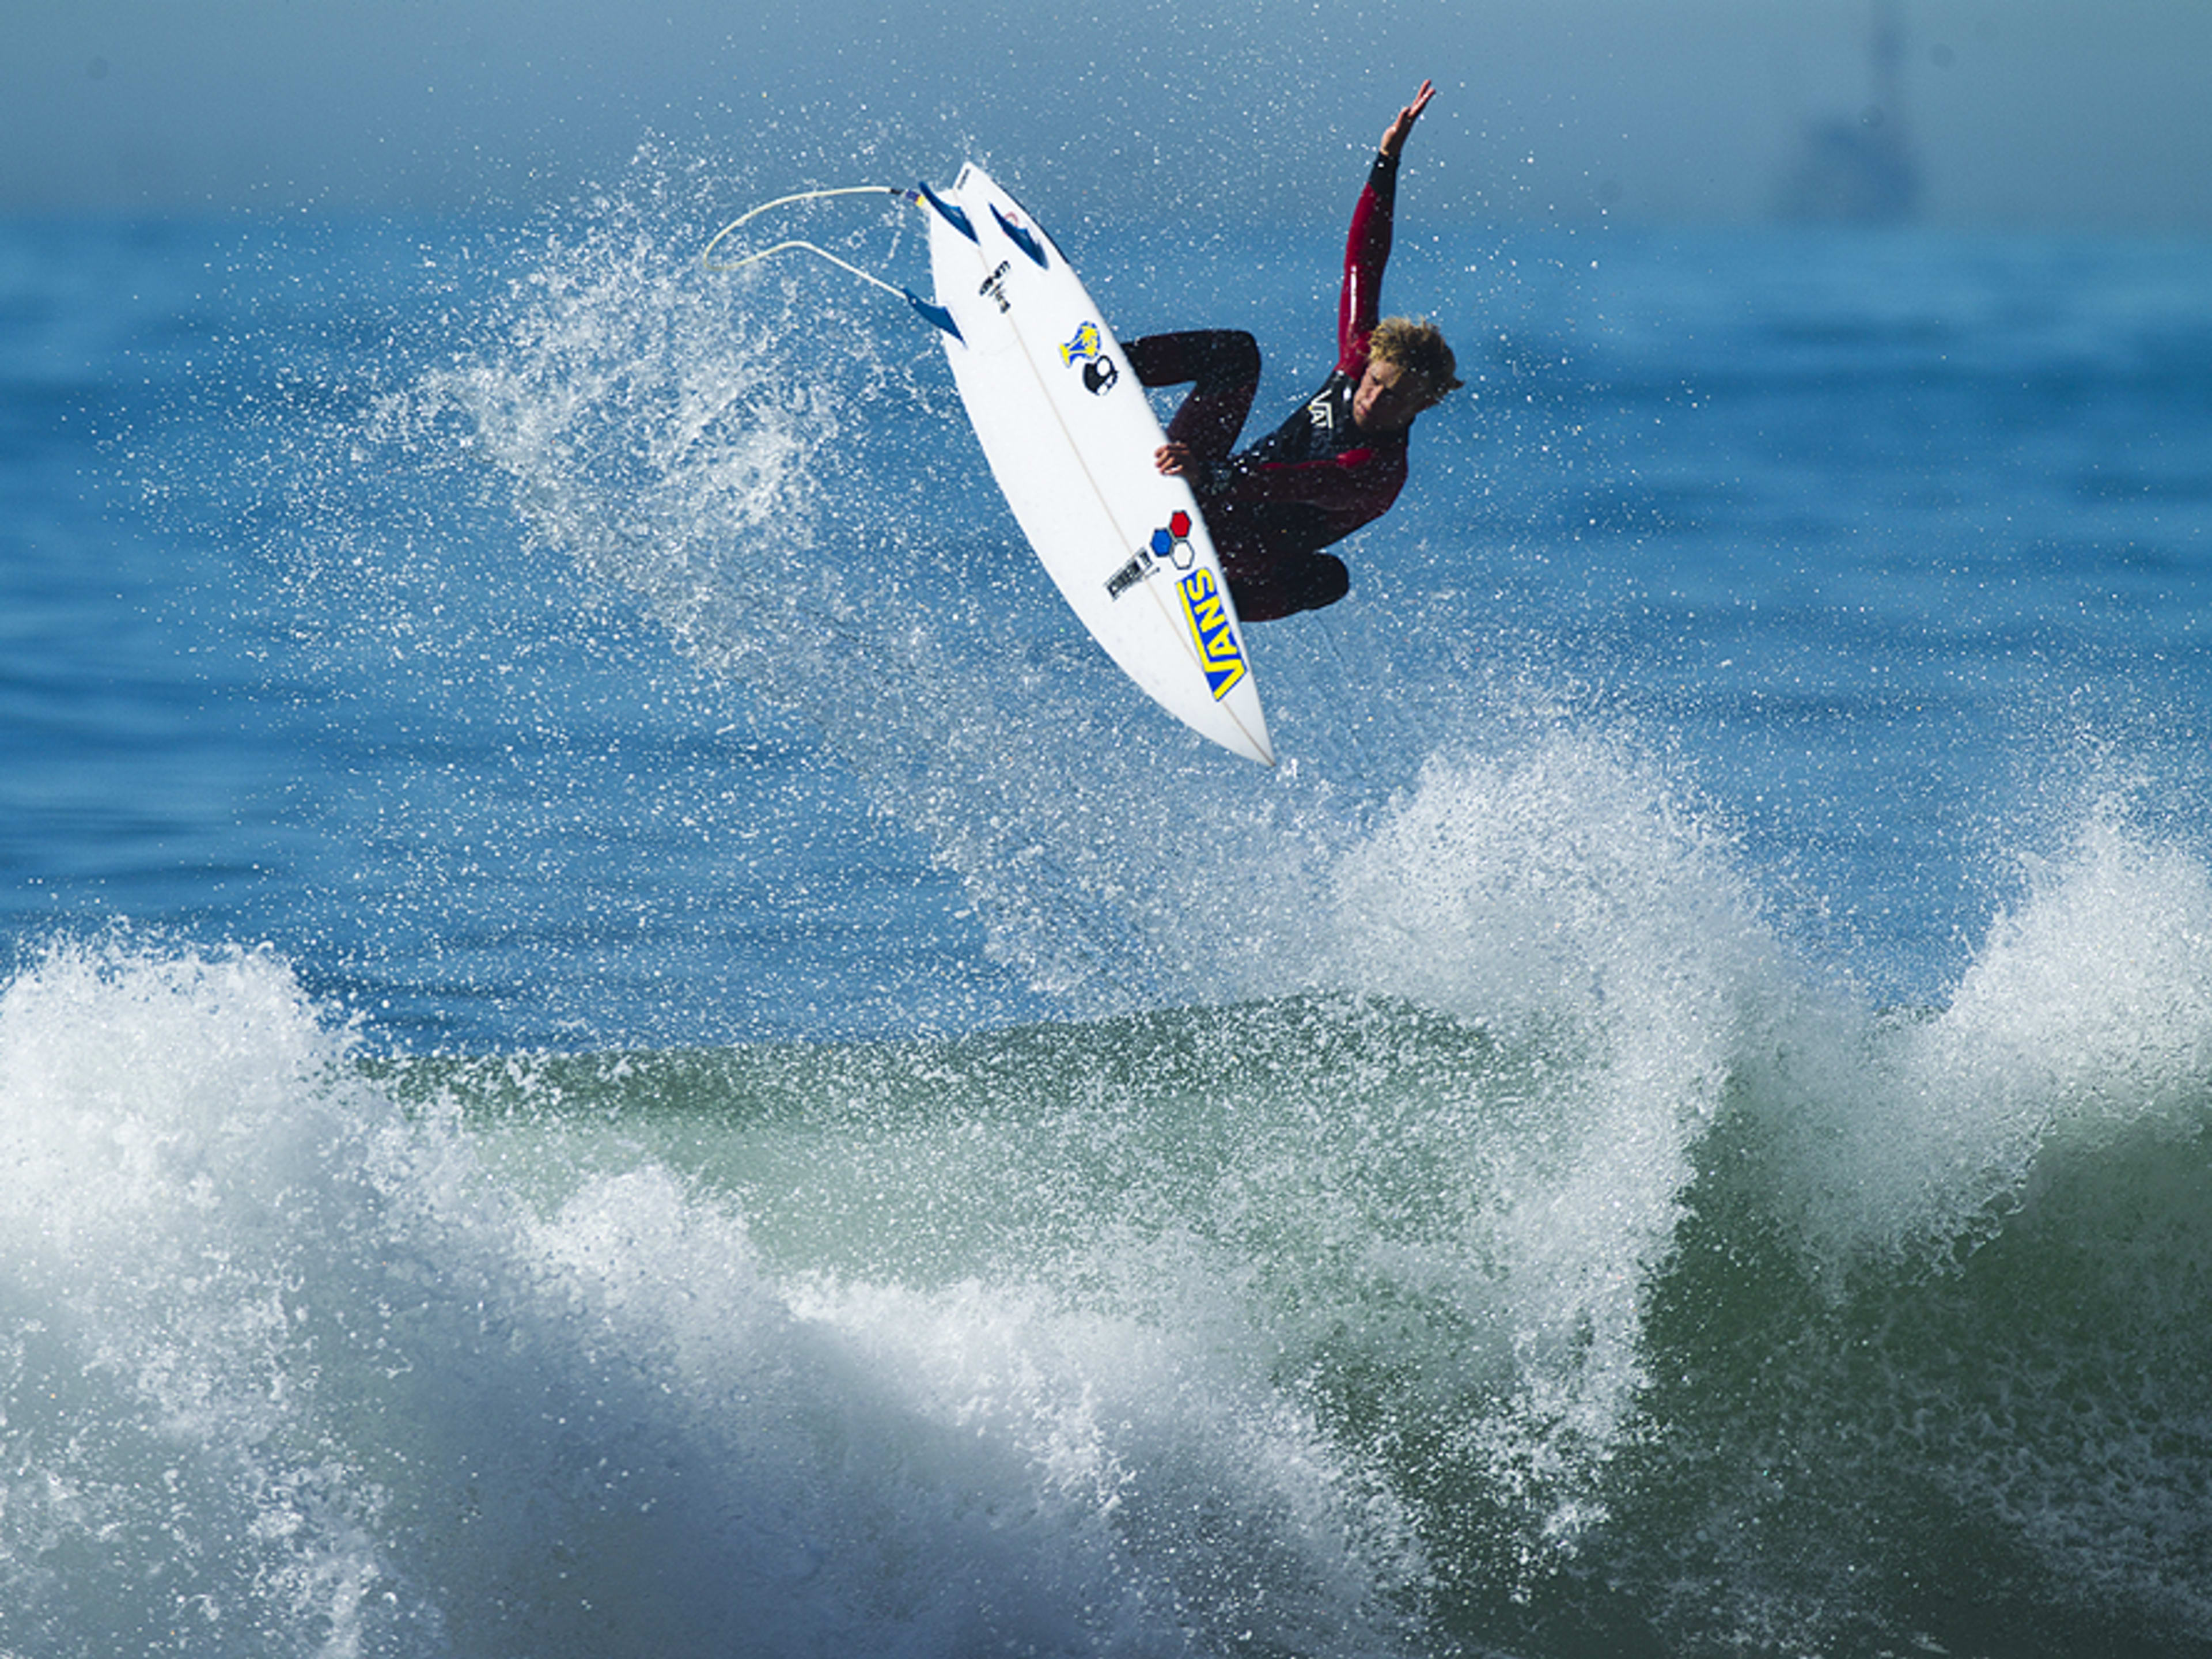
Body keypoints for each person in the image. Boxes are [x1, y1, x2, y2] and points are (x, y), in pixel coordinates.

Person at [1128, 79, 1460, 622]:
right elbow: (1364, 261)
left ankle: (1199, 616)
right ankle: (1107, 368)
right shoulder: (1358, 356)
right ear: (1369, 362)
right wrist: (1386, 160)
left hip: (1229, 543)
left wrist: (1212, 476)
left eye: (1396, 398)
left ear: (1420, 408)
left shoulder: (1380, 470)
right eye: (1376, 381)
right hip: (1196, 480)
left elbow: (1303, 481)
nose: (1374, 398)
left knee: (1327, 579)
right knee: (1237, 354)